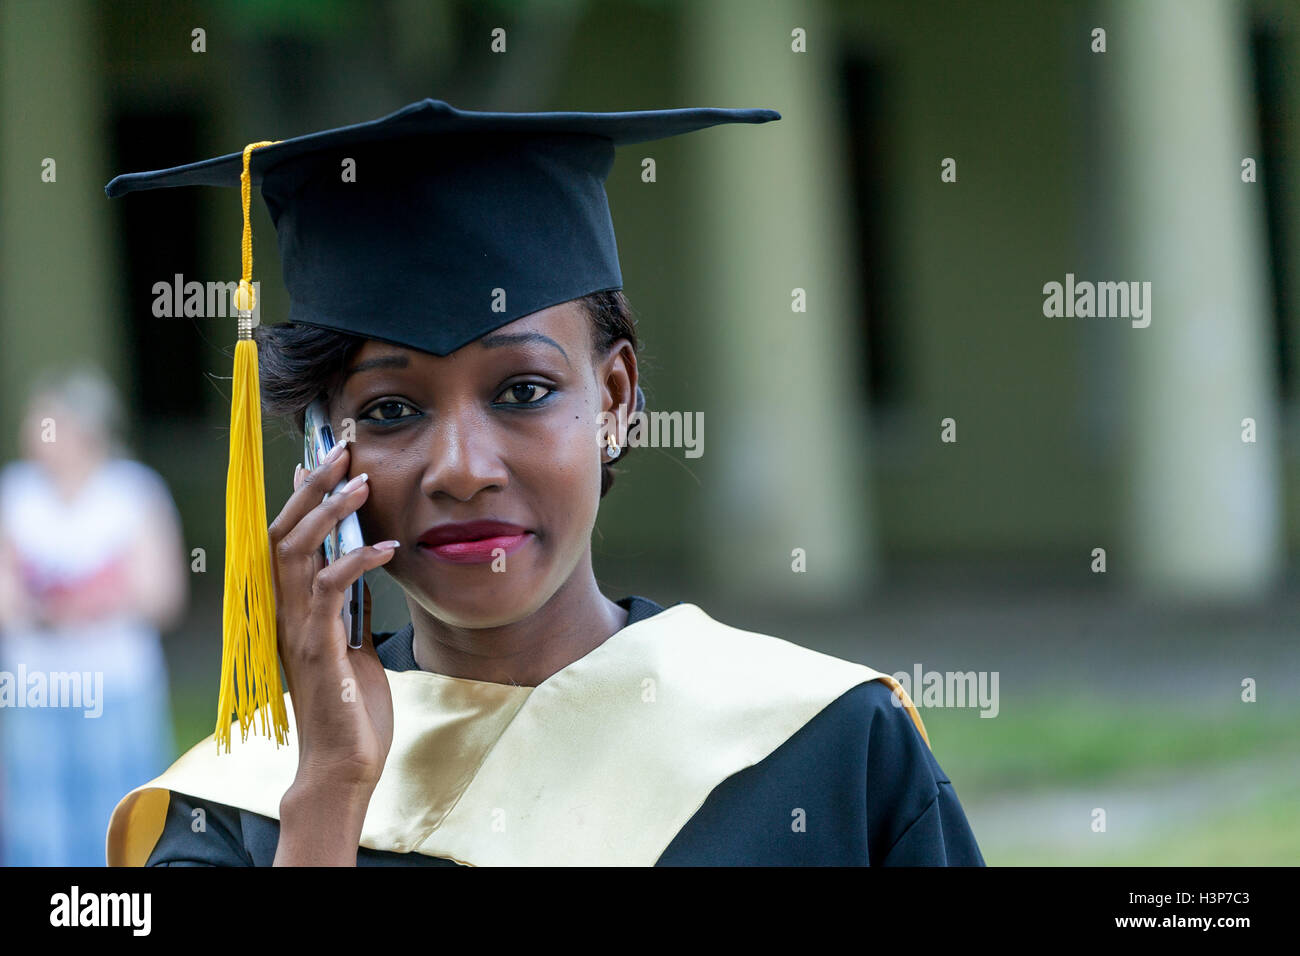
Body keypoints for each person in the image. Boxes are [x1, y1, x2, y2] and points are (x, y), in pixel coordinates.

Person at [101, 99, 984, 866]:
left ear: (615, 398)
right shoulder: (240, 808)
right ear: (324, 448)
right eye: (392, 410)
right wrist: (329, 794)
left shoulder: (825, 750)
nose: (462, 469)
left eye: (523, 391)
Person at [0, 368, 185, 866]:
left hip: (117, 688)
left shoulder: (133, 492)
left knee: (119, 814)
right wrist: (47, 606)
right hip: (35, 689)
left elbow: (162, 594)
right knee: (36, 821)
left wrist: (88, 602)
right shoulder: (14, 494)